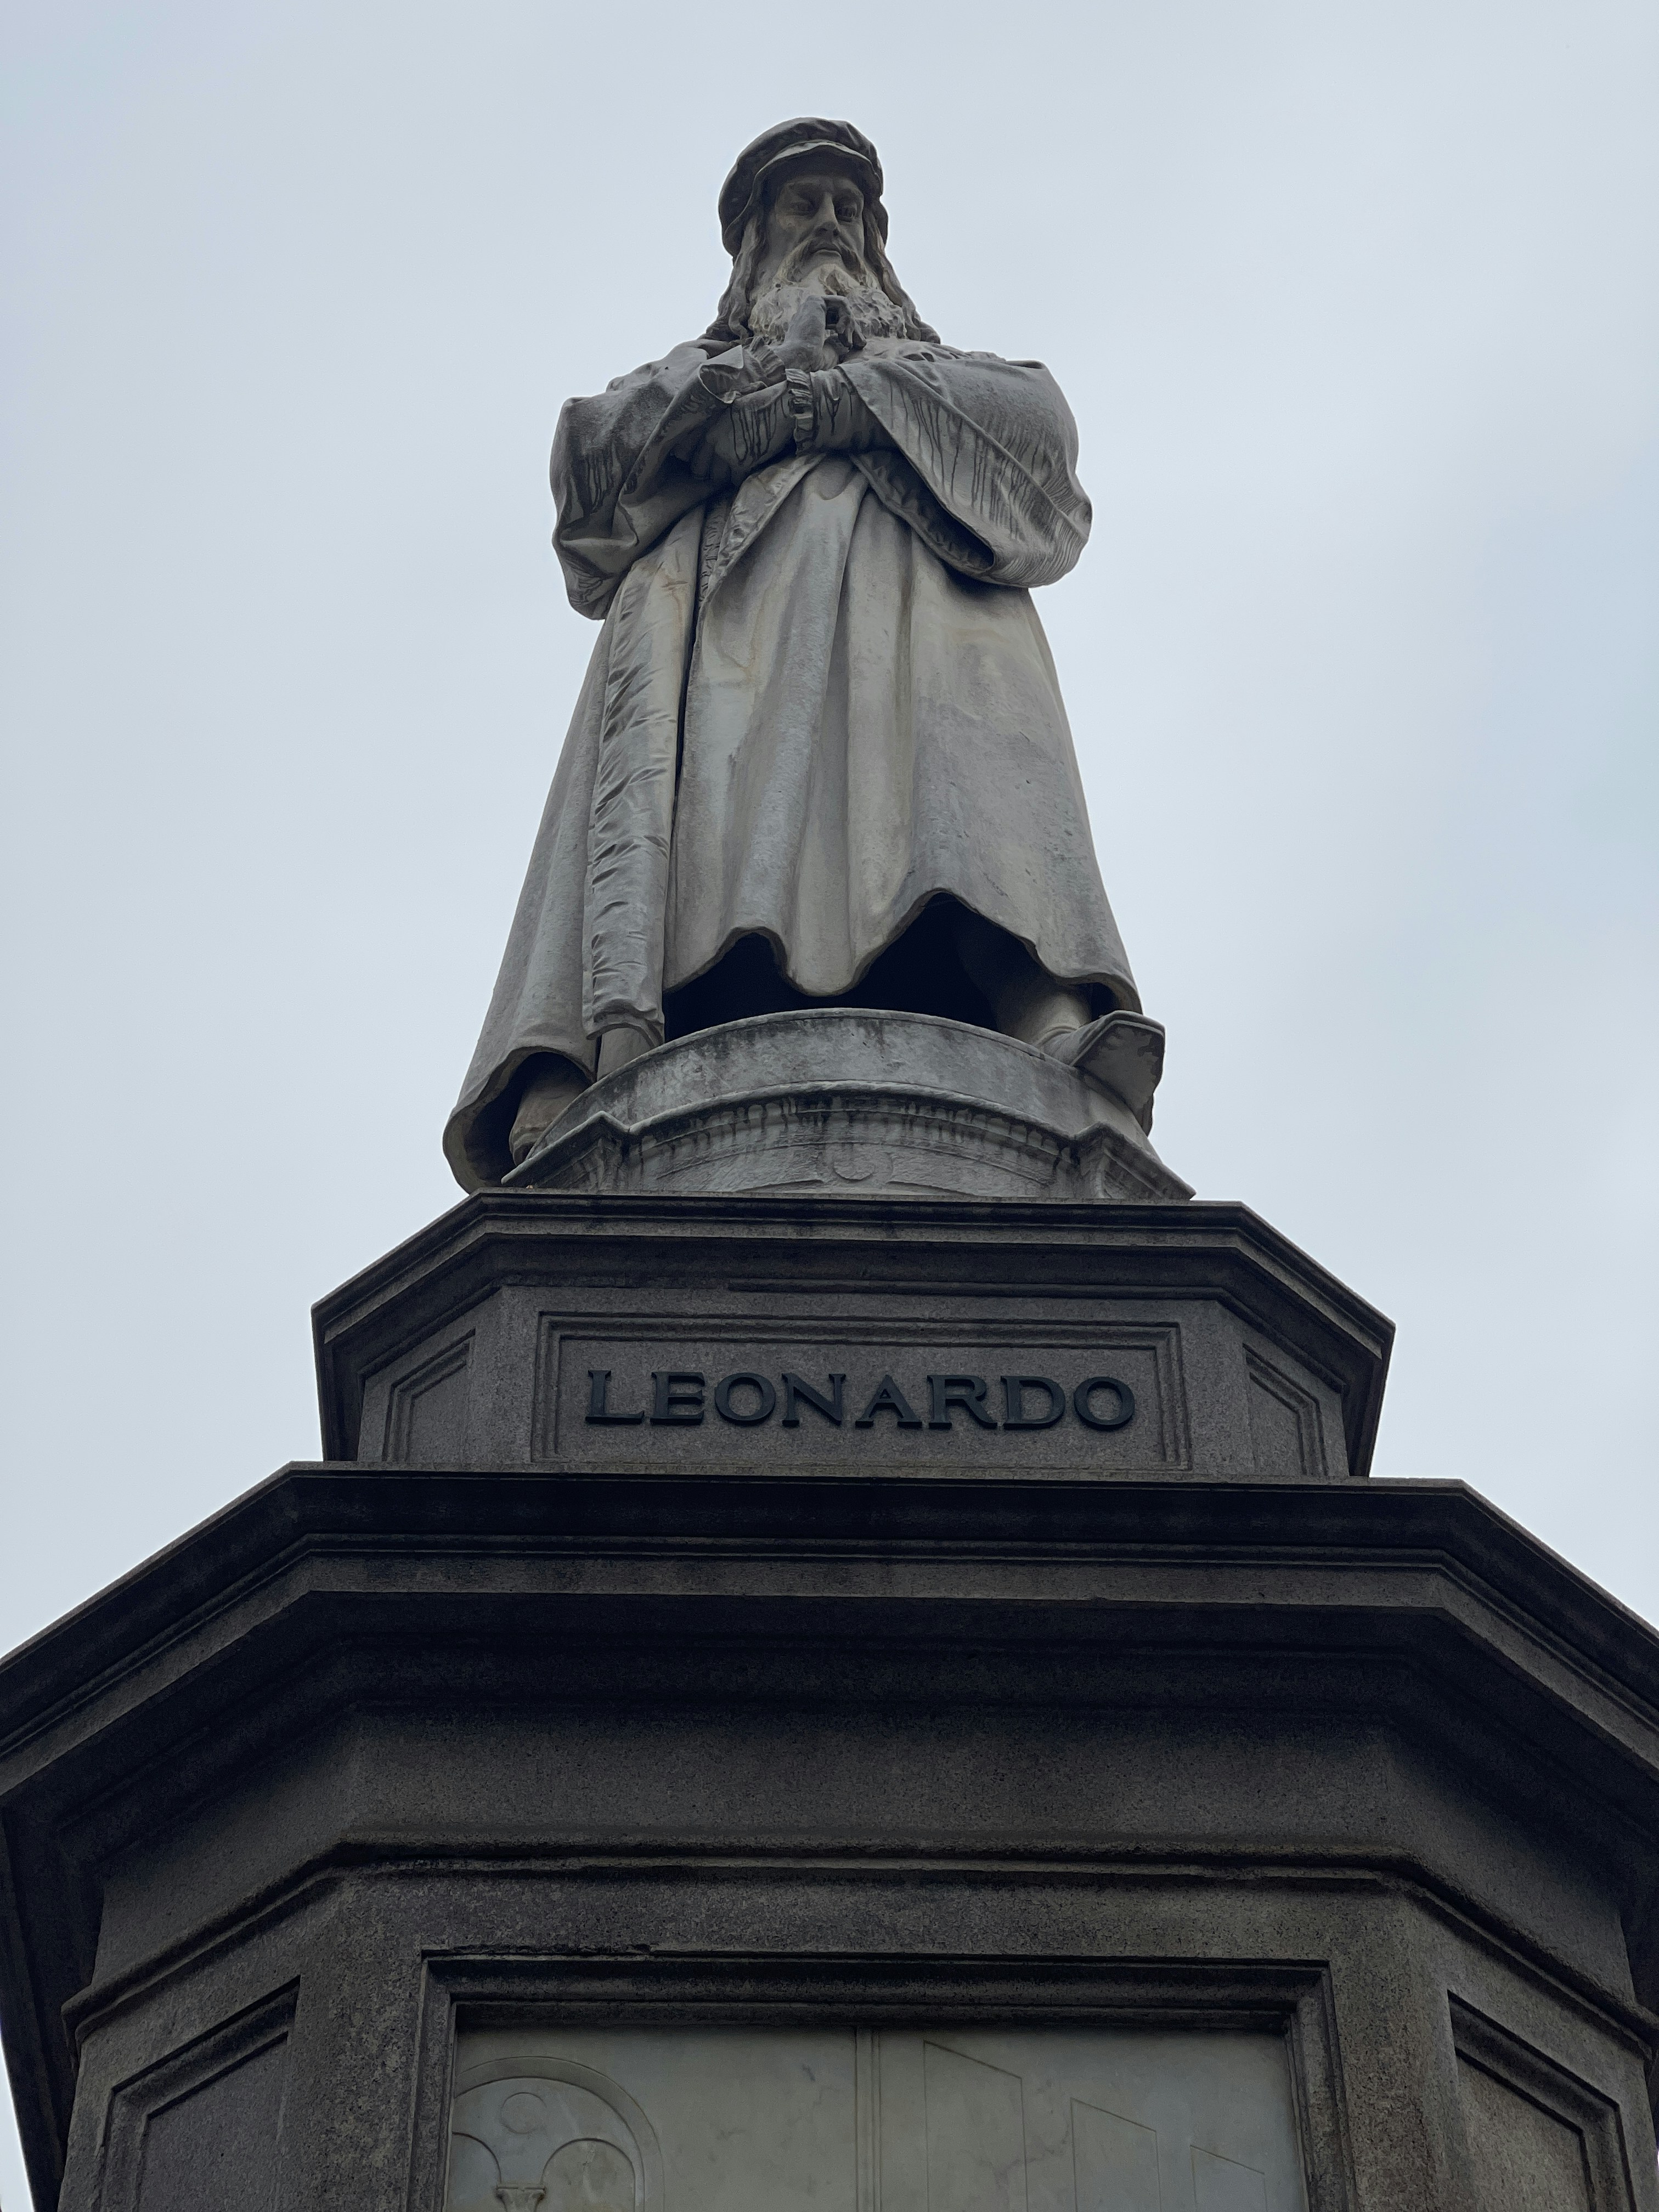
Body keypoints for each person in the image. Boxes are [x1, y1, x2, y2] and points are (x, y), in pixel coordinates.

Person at [444, 118, 1155, 1190]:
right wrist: (745, 399)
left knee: (972, 725)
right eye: (802, 203)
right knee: (681, 794)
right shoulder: (697, 374)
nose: (829, 222)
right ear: (751, 242)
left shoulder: (938, 371)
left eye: (849, 207)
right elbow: (590, 477)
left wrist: (843, 401)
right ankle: (585, 1052)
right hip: (725, 640)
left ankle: (1045, 1002)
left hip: (918, 638)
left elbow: (1043, 443)